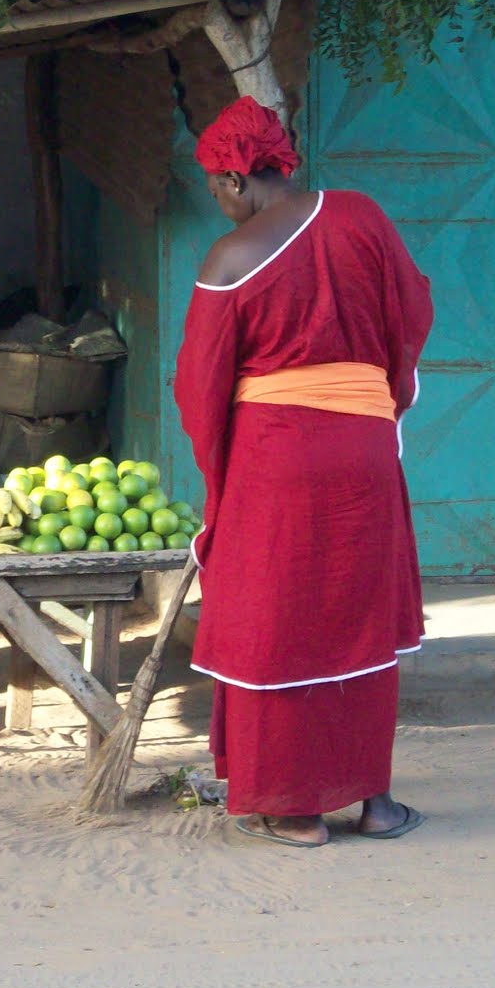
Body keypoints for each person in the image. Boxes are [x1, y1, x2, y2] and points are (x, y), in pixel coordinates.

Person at [173, 95, 434, 848]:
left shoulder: (230, 258)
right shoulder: (361, 216)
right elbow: (410, 314)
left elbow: (201, 385)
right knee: (358, 619)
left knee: (275, 623)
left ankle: (294, 812)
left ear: (234, 178)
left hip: (276, 458)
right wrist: (378, 402)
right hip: (364, 451)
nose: (220, 204)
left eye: (216, 190)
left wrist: (219, 470)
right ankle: (376, 803)